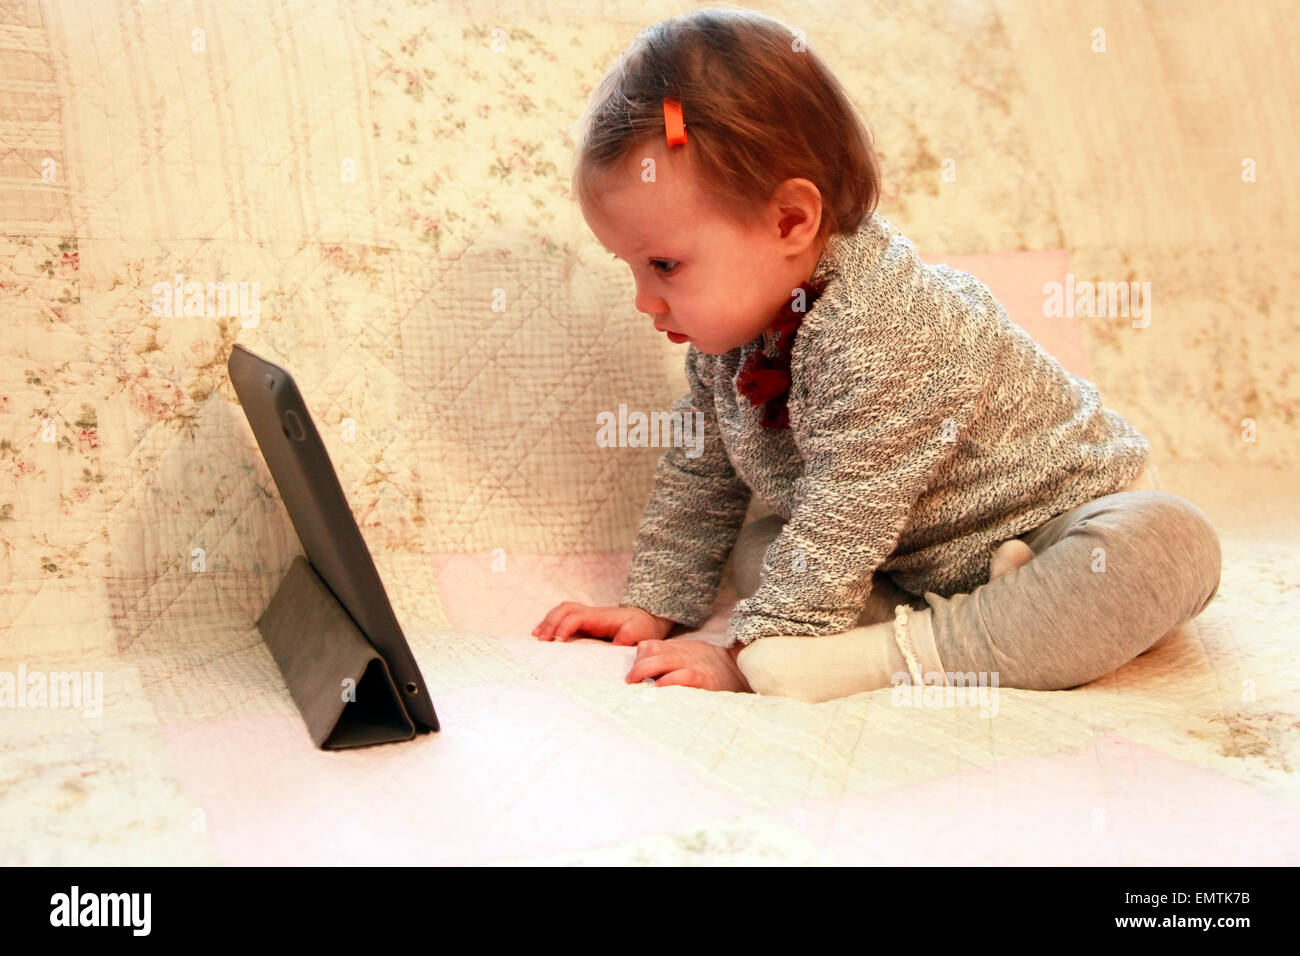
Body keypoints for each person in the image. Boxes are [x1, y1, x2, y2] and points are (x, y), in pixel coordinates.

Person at [532, 8, 1221, 702]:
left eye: (664, 265)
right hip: (919, 561)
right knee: (764, 548)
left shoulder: (886, 323)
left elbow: (849, 507)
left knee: (1168, 542)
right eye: (632, 267)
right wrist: (654, 604)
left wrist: (746, 653)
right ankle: (970, 627)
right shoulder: (729, 340)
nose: (644, 300)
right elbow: (703, 471)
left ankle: (890, 656)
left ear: (789, 222)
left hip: (1061, 523)